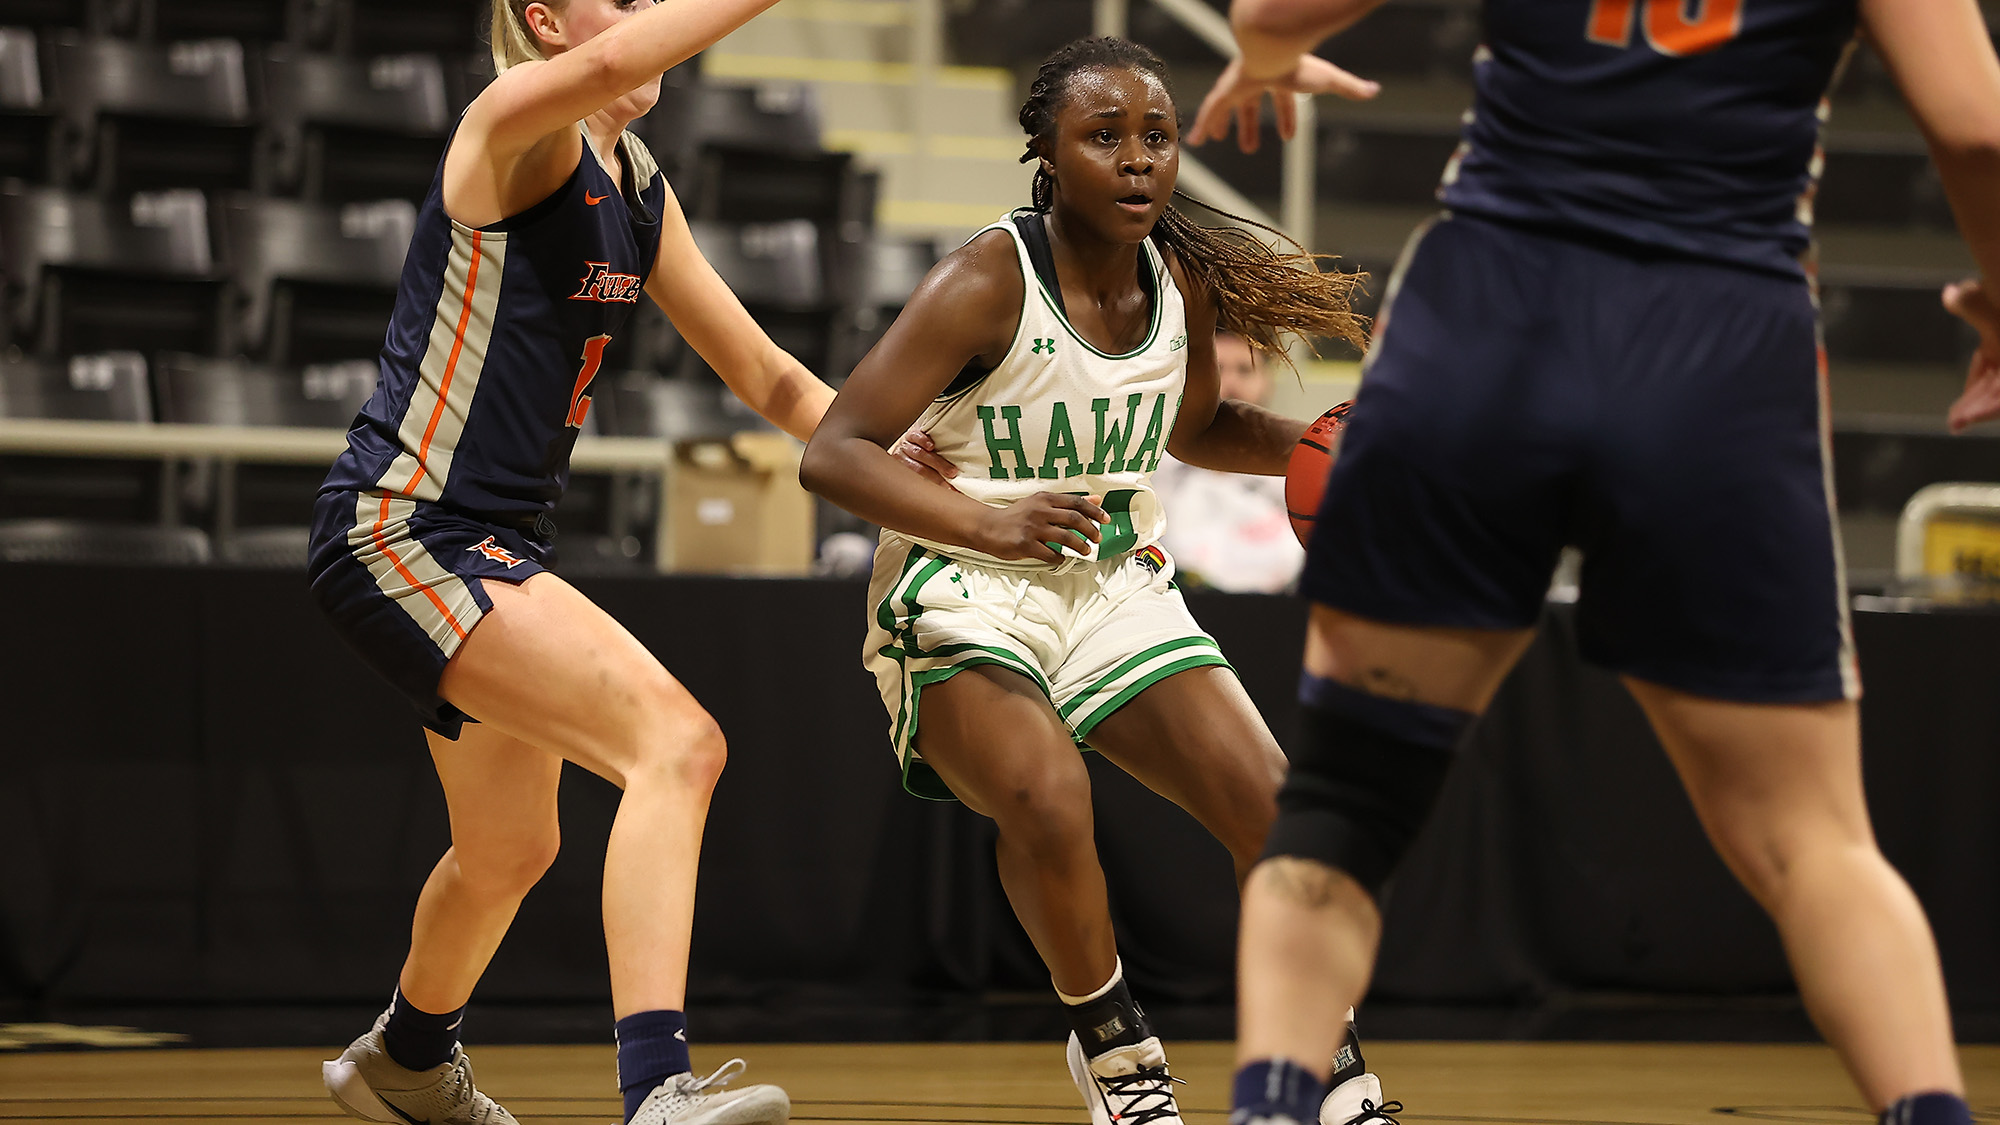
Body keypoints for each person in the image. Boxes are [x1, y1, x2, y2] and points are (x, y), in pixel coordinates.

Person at [1187, 0, 2000, 1122]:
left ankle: (1270, 1107)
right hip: (1713, 342)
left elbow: (1272, 9)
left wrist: (1269, 56)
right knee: (1812, 845)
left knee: (1339, 803)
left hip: (1485, 317)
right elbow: (1976, 132)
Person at [801, 36, 1399, 1125]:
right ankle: (1119, 1057)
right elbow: (834, 451)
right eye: (1104, 137)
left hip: (1107, 578)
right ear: (1045, 152)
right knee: (1043, 795)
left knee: (1275, 812)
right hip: (960, 579)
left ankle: (1314, 1065)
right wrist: (987, 518)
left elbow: (1201, 426)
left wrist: (1321, 444)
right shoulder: (986, 277)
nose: (1136, 161)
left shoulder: (1181, 280)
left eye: (1156, 139)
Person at [305, 1, 850, 1122]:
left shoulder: (637, 184)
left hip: (491, 544)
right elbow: (610, 62)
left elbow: (769, 377)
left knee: (508, 850)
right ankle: (657, 1090)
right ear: (545, 22)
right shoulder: (510, 126)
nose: (649, 15)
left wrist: (922, 474)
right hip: (408, 526)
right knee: (679, 743)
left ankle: (405, 1060)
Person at [1151, 329, 1306, 593]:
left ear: (1268, 380)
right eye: (1219, 369)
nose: (1231, 384)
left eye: (1245, 370)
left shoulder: (1298, 473)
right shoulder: (1153, 469)